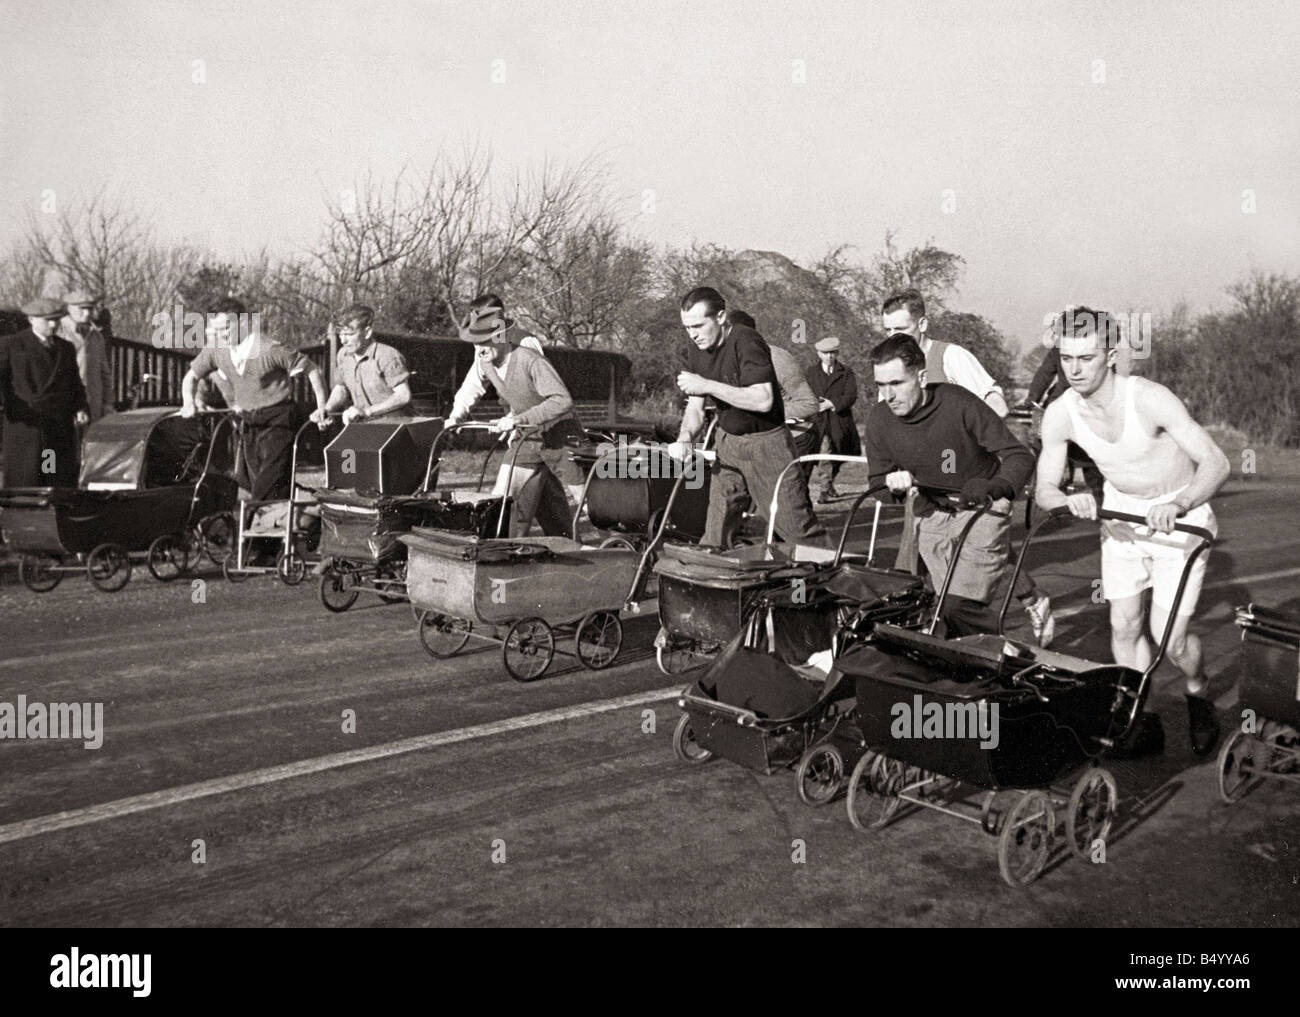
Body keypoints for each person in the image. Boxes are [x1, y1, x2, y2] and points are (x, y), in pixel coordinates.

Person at [1034, 311, 1230, 757]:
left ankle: (1198, 693)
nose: (1074, 369)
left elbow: (1217, 463)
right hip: (1121, 518)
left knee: (1169, 638)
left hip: (1181, 518)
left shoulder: (1150, 400)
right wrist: (1066, 501)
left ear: (1112, 354)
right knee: (1122, 625)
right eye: (1066, 358)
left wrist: (1178, 504)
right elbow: (1045, 487)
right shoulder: (1061, 413)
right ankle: (1143, 720)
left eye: (1086, 357)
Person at [882, 288, 1056, 645]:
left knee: (973, 557)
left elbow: (996, 402)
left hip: (971, 478)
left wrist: (960, 430)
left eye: (901, 328)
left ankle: (977, 635)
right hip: (923, 483)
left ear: (923, 324)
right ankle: (926, 633)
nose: (894, 337)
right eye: (887, 330)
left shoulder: (952, 356)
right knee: (928, 558)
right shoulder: (891, 367)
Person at [862, 334, 1034, 636]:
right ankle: (1029, 598)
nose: (888, 395)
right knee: (943, 607)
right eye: (880, 385)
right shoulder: (879, 420)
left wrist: (996, 487)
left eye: (897, 383)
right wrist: (893, 486)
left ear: (922, 377)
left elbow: (1018, 455)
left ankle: (1007, 660)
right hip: (931, 512)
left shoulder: (959, 403)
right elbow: (877, 485)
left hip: (982, 507)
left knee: (957, 607)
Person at [670, 287, 826, 551]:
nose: (692, 334)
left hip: (767, 446)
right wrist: (685, 438)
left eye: (698, 325)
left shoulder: (746, 340)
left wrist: (707, 384)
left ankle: (838, 578)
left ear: (720, 317)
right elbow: (695, 408)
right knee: (716, 528)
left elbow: (762, 400)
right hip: (728, 443)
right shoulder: (695, 349)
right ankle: (714, 585)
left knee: (794, 528)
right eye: (687, 328)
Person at [444, 302, 587, 537]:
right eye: (476, 342)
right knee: (501, 497)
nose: (479, 348)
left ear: (501, 336)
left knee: (587, 502)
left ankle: (616, 555)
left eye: (486, 341)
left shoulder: (529, 359)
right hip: (528, 438)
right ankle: (498, 553)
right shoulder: (484, 361)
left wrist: (517, 418)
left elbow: (562, 400)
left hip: (561, 435)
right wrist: (454, 417)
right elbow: (471, 387)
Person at [180, 298, 329, 503]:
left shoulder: (268, 348)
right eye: (216, 330)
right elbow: (191, 377)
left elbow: (313, 370)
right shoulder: (216, 350)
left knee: (267, 483)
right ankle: (302, 508)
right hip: (249, 421)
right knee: (253, 481)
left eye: (225, 328)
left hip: (279, 418)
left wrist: (322, 407)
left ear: (242, 323)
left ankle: (256, 532)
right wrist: (189, 401)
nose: (220, 335)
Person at [0, 298, 89, 487]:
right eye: (47, 320)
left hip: (57, 426)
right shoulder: (11, 345)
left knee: (53, 476)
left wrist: (80, 406)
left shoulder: (65, 348)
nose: (53, 325)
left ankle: (53, 510)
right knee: (26, 481)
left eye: (56, 320)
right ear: (31, 319)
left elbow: (74, 384)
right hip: (27, 426)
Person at [318, 304, 412, 425]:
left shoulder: (387, 356)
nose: (343, 340)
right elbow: (341, 388)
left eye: (349, 334)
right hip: (366, 427)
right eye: (341, 334)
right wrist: (327, 410)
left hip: (397, 426)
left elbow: (403, 395)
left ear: (367, 332)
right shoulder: (343, 355)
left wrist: (367, 412)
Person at [804, 336, 861, 503]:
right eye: (825, 353)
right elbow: (805, 394)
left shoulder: (846, 372)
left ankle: (828, 485)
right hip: (818, 421)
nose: (829, 356)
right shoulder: (811, 373)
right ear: (818, 354)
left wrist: (831, 403)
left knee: (840, 454)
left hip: (839, 421)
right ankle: (824, 490)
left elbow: (851, 396)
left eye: (833, 353)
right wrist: (815, 405)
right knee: (825, 453)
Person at [60, 289, 114, 422]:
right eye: (82, 308)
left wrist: (107, 403)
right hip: (67, 401)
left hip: (93, 401)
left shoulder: (96, 335)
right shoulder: (59, 331)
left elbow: (104, 372)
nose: (87, 313)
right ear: (69, 308)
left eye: (90, 309)